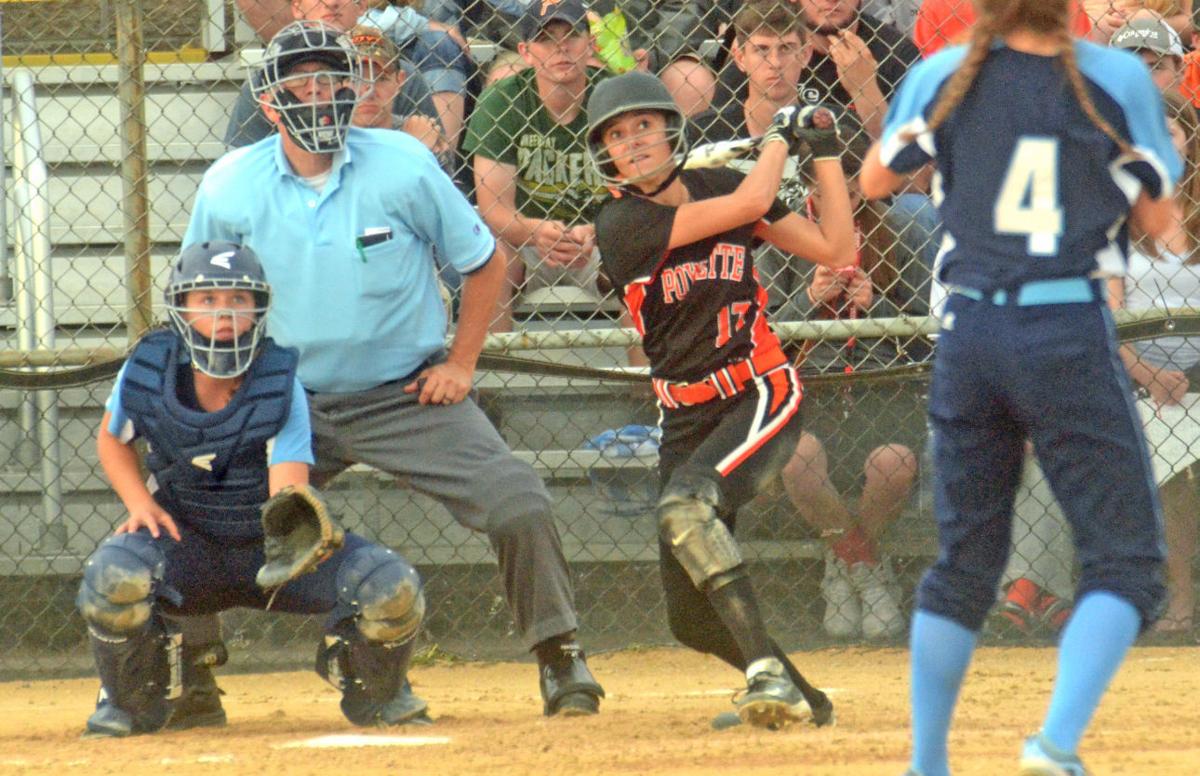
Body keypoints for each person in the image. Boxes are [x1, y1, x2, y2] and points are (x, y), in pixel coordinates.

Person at [184, 20, 605, 720]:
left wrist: (463, 363)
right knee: (187, 492)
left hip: (403, 392)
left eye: (332, 81)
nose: (320, 97)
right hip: (284, 401)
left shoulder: (402, 165)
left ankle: (560, 655)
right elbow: (200, 302)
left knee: (517, 499)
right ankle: (190, 671)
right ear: (267, 101)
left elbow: (483, 262)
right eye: (302, 84)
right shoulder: (229, 185)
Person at [859, 0, 1181, 771]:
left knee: (965, 561)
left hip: (970, 331)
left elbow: (875, 179)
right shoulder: (1111, 76)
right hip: (1065, 326)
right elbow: (1162, 221)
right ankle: (1053, 744)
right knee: (1128, 565)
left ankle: (928, 761)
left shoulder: (944, 72)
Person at [588, 69, 856, 728]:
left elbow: (836, 248)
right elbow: (744, 208)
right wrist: (777, 142)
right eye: (618, 136)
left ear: (671, 130)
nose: (634, 142)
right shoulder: (621, 224)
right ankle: (802, 696)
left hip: (758, 388)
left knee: (687, 505)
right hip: (683, 413)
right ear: (606, 155)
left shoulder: (724, 183)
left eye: (644, 125)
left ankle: (767, 676)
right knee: (690, 620)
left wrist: (822, 153)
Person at [76, 241, 428, 736]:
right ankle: (131, 698)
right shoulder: (148, 368)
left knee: (390, 586)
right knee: (115, 574)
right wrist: (139, 504)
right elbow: (113, 440)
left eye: (239, 300)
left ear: (258, 308)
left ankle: (380, 691)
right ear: (181, 307)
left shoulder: (279, 382)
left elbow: (287, 491)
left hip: (268, 552)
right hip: (186, 546)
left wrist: (295, 537)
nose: (225, 312)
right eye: (208, 300)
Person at [1110, 88, 1200, 640]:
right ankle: (1182, 603)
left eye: (1172, 131)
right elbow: (1109, 313)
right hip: (1146, 381)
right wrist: (1148, 373)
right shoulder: (1115, 217)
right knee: (1174, 479)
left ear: (1190, 140)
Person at [462, 0, 610, 331]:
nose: (561, 47)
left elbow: (639, 193)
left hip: (601, 241)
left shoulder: (612, 94)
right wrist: (535, 232)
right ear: (526, 52)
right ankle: (493, 380)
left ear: (590, 44)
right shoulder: (502, 99)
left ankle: (643, 383)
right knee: (489, 254)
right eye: (546, 38)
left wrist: (600, 232)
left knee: (640, 248)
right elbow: (494, 208)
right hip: (524, 243)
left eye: (571, 34)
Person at [225, 0, 446, 155]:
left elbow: (436, 150)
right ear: (297, 7)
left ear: (361, 6)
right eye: (300, 78)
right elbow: (239, 166)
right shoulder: (266, 80)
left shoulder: (396, 74)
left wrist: (417, 149)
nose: (331, 2)